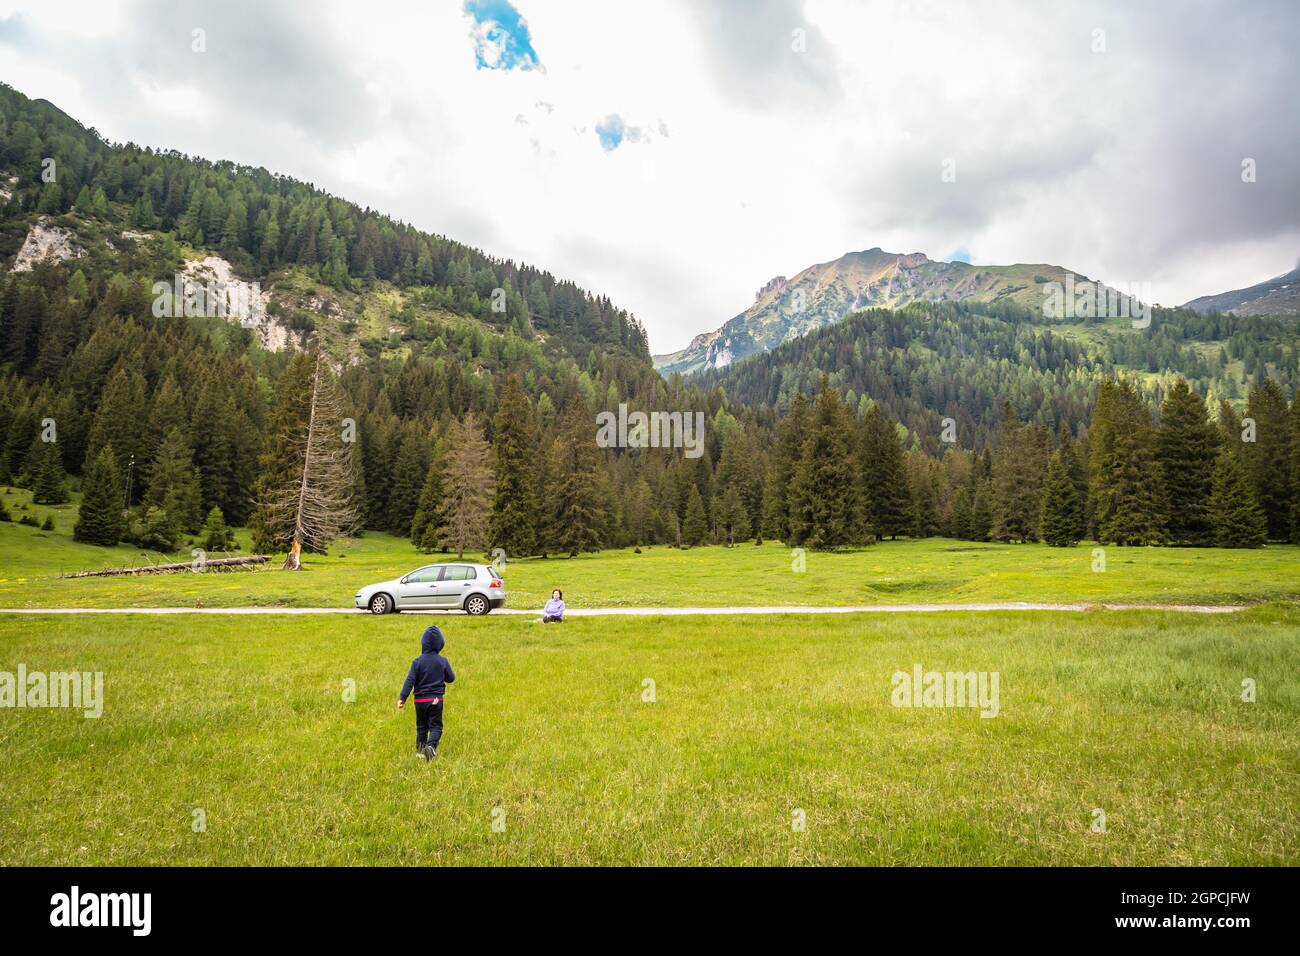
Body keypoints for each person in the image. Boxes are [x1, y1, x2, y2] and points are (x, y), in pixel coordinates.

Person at [397, 625, 455, 760]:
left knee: (421, 726)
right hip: (436, 700)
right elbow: (451, 678)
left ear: (423, 643)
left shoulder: (417, 662)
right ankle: (431, 747)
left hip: (419, 701)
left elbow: (409, 680)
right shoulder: (442, 661)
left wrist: (402, 698)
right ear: (440, 644)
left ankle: (420, 752)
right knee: (435, 726)